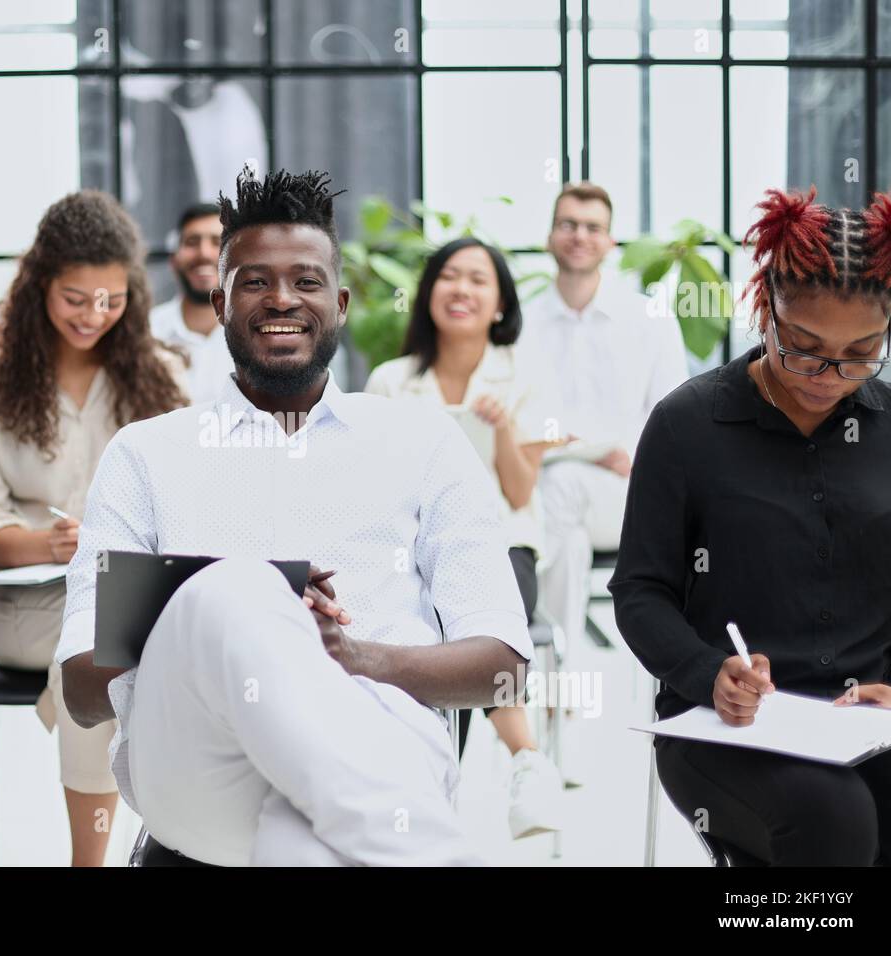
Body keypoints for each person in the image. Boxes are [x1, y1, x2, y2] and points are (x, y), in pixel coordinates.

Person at [56, 168, 533, 866]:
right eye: (254, 281)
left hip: (379, 747)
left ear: (338, 302)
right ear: (218, 301)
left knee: (300, 842)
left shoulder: (424, 443)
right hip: (204, 770)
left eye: (306, 281)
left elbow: (505, 670)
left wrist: (358, 659)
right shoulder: (146, 455)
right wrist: (231, 617)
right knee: (238, 588)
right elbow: (80, 688)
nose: (282, 298)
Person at [610, 183, 891, 866]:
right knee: (835, 821)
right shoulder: (688, 425)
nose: (830, 375)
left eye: (861, 352)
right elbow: (640, 590)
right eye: (804, 346)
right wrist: (710, 671)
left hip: (873, 712)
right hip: (722, 724)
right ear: (764, 305)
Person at [0, 190, 187, 866]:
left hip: (136, 591)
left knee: (110, 638)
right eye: (74, 298)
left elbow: (190, 504)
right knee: (101, 647)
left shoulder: (162, 375)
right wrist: (48, 543)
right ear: (38, 289)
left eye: (110, 301)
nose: (93, 316)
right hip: (28, 604)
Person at [366, 237, 563, 840]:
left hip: (504, 542)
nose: (462, 290)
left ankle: (437, 808)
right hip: (411, 547)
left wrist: (502, 430)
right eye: (450, 277)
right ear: (428, 296)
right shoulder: (390, 381)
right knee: (444, 617)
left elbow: (521, 491)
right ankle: (525, 758)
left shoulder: (524, 378)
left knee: (471, 618)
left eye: (479, 280)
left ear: (500, 304)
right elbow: (372, 487)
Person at [521, 182, 688, 652]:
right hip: (543, 492)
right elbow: (520, 425)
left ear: (610, 241)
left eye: (593, 227)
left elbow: (673, 420)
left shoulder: (649, 321)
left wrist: (617, 457)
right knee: (566, 535)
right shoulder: (522, 323)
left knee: (562, 487)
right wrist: (587, 451)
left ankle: (525, 649)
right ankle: (561, 680)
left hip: (630, 494)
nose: (580, 236)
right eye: (568, 224)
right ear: (550, 235)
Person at [149, 203, 235, 403]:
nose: (204, 253)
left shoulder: (258, 336)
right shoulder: (146, 333)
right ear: (173, 259)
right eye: (192, 242)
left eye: (217, 242)